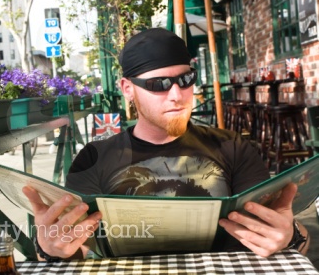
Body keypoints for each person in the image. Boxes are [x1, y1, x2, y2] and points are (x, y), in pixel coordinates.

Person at [23, 28, 309, 260]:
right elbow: (78, 250)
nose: (177, 95)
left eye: (185, 79)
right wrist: (50, 249)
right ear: (127, 89)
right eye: (159, 84)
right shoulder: (95, 158)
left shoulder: (232, 147)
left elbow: (280, 237)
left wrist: (291, 236)